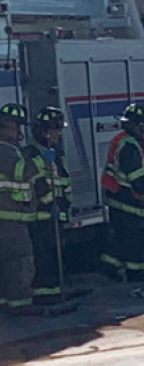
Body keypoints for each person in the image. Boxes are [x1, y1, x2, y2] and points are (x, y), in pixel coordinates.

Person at [99, 104, 144, 283]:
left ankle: (109, 266)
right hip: (129, 199)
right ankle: (136, 272)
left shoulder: (122, 140)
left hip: (117, 196)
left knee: (121, 236)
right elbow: (136, 177)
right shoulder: (130, 145)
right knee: (134, 238)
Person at [25, 107, 75, 305]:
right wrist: (49, 202)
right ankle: (46, 295)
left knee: (55, 253)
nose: (58, 134)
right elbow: (36, 182)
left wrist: (65, 204)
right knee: (44, 256)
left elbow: (61, 181)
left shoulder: (53, 153)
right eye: (55, 130)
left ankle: (55, 291)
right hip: (42, 215)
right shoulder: (32, 154)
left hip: (56, 212)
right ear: (45, 131)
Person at [0, 104, 38, 315]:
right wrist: (32, 159)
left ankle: (5, 302)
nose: (19, 132)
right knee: (19, 261)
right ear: (6, 126)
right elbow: (25, 174)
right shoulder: (8, 151)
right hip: (11, 219)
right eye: (17, 127)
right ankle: (21, 305)